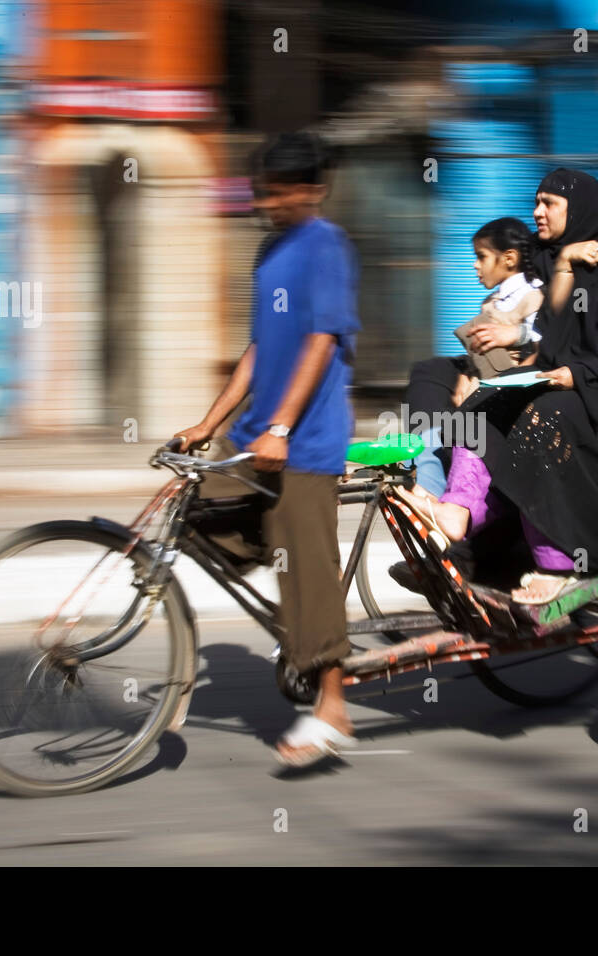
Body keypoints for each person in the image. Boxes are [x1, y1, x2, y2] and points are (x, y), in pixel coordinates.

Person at [398, 154, 598, 605]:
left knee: (541, 416)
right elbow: (564, 331)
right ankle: (457, 511)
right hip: (590, 388)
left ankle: (561, 560)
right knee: (487, 403)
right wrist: (566, 266)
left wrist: (585, 374)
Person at [172, 131, 360, 769]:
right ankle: (296, 629)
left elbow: (322, 340)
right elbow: (257, 350)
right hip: (258, 435)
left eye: (282, 192)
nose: (270, 202)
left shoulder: (325, 245)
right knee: (193, 507)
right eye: (263, 192)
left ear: (312, 190)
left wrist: (281, 425)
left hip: (304, 443)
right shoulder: (267, 253)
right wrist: (208, 422)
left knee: (305, 569)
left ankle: (332, 705)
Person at [401, 169, 598, 480]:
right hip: (514, 360)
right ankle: (427, 469)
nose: (537, 212)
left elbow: (561, 335)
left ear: (577, 208)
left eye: (549, 204)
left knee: (476, 407)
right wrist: (468, 373)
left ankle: (450, 482)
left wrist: (506, 353)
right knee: (430, 371)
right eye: (536, 202)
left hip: (561, 369)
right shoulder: (539, 257)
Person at [407, 218, 545, 499]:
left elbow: (542, 337)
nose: (475, 265)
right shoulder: (493, 300)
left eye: (481, 257)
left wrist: (515, 333)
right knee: (428, 374)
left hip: (510, 387)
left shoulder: (533, 295)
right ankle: (425, 471)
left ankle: (434, 489)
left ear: (509, 258)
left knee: (450, 429)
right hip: (483, 378)